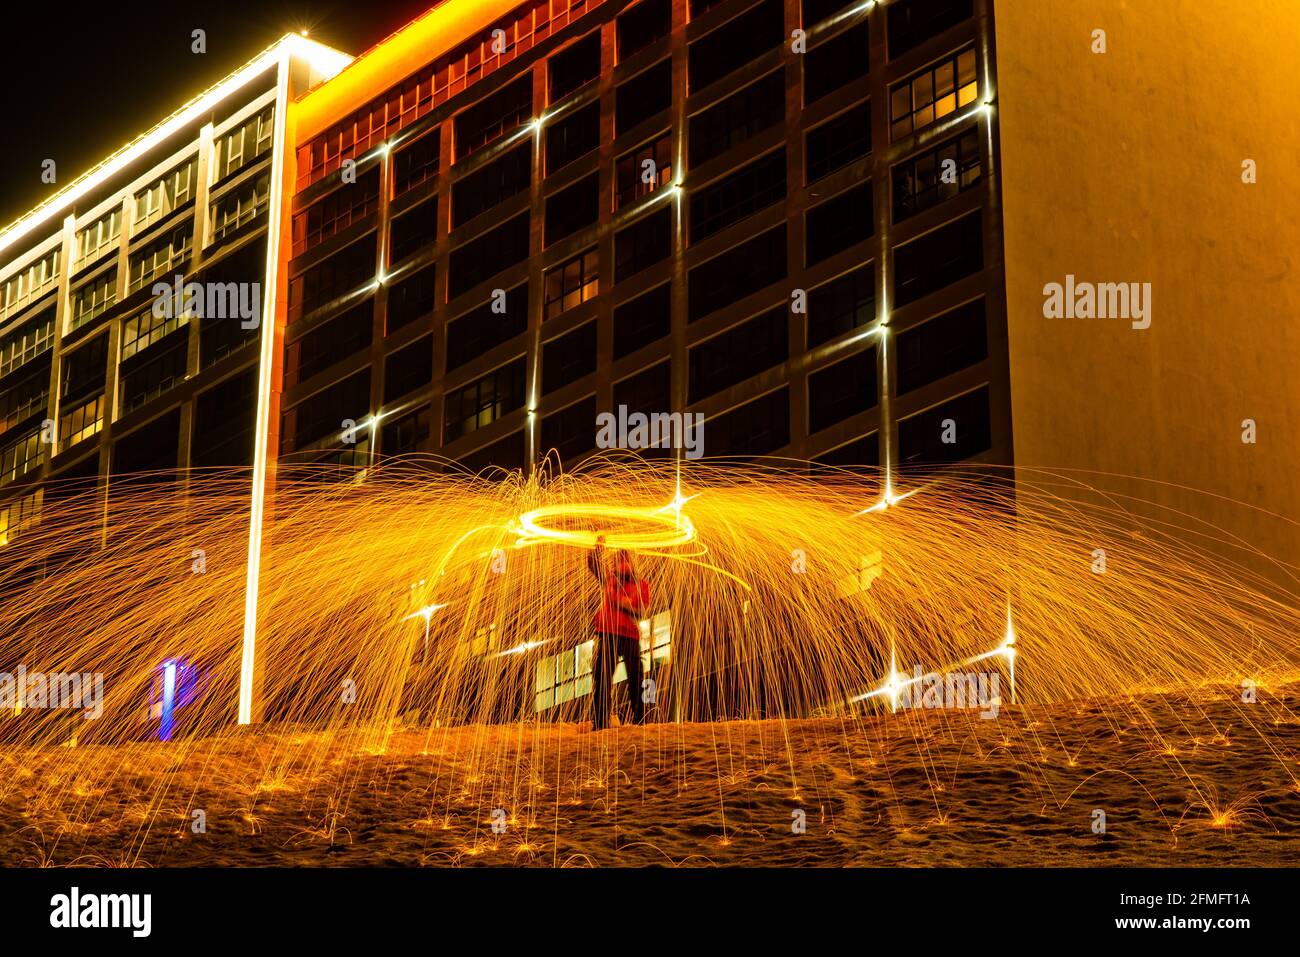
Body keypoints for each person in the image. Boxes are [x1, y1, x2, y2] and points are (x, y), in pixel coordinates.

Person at [586, 535, 651, 731]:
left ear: (631, 563)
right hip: (608, 634)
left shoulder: (640, 585)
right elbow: (594, 565)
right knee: (603, 680)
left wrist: (623, 604)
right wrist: (597, 547)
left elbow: (641, 610)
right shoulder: (610, 580)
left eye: (624, 560)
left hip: (628, 635)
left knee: (636, 681)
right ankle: (600, 724)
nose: (621, 564)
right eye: (618, 560)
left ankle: (641, 722)